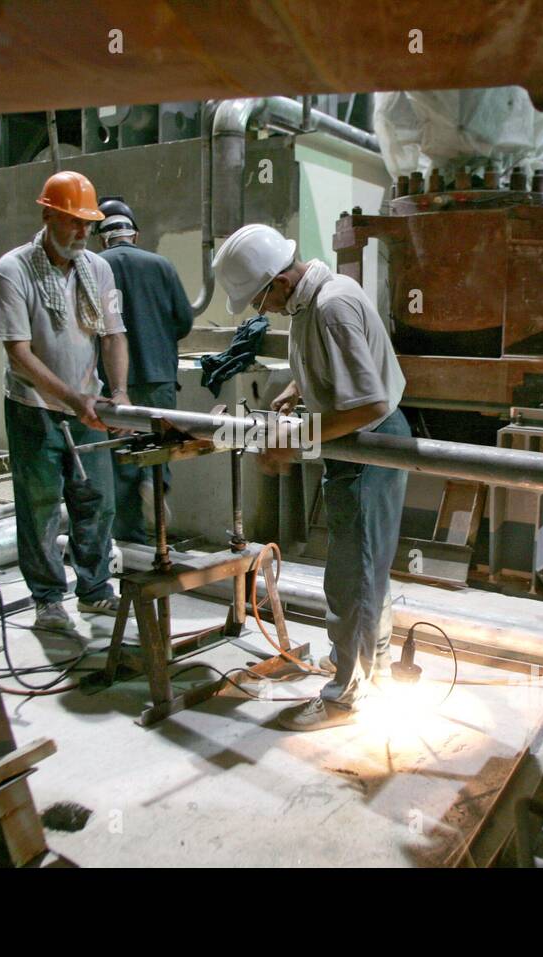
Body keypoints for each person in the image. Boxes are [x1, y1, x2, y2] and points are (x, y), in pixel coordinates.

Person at [212, 224, 409, 732]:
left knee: (352, 578)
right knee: (365, 569)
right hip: (356, 446)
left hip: (370, 445)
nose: (262, 310)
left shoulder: (330, 305)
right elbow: (342, 361)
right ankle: (371, 668)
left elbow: (369, 403)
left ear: (278, 279)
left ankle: (348, 696)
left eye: (260, 299)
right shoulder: (313, 299)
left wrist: (293, 441)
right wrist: (299, 388)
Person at [0, 170, 130, 632]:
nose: (84, 232)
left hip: (88, 409)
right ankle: (48, 598)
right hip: (35, 410)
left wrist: (120, 394)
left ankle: (94, 590)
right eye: (73, 222)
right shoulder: (14, 270)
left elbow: (112, 335)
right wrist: (72, 399)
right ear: (47, 215)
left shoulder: (99, 269)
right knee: (41, 505)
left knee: (97, 501)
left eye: (88, 223)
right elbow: (18, 352)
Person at [95, 196, 194, 544]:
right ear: (135, 235)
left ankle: (130, 538)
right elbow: (184, 320)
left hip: (111, 379)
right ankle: (156, 483)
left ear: (101, 237)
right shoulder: (161, 265)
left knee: (122, 457)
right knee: (160, 442)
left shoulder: (93, 266)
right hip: (158, 375)